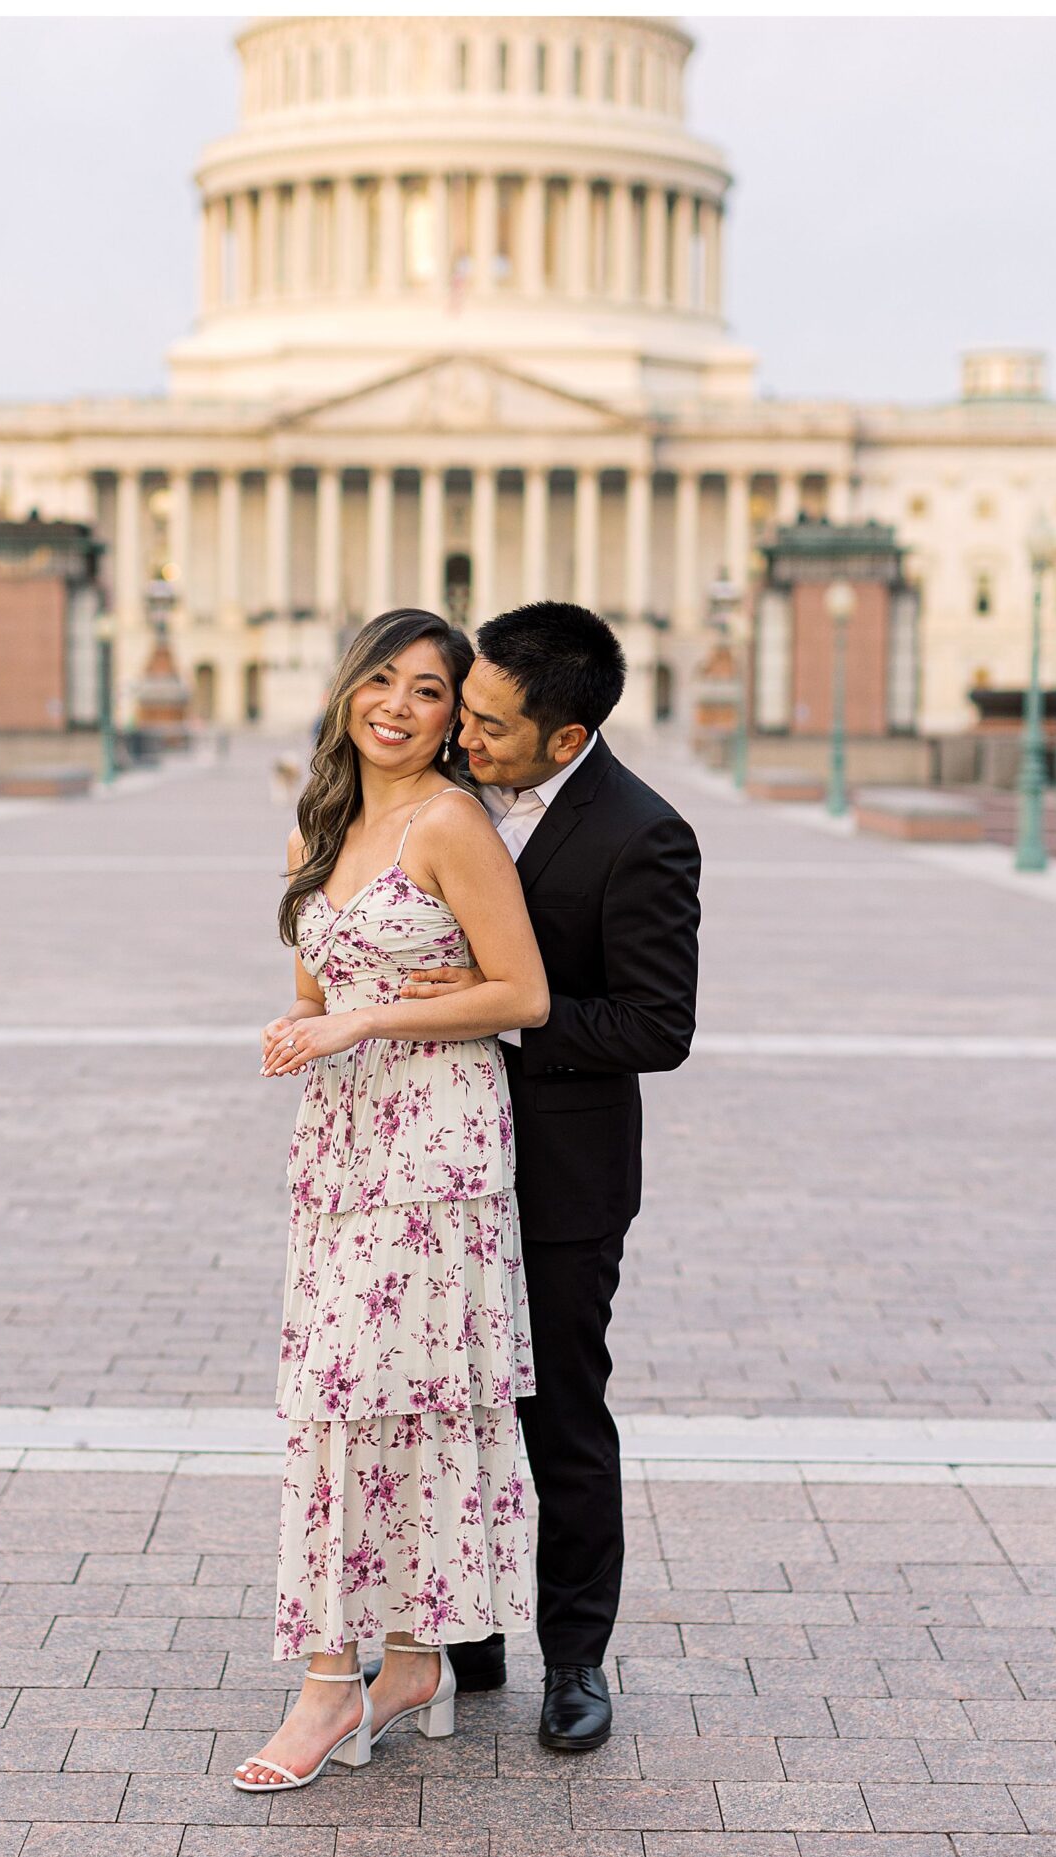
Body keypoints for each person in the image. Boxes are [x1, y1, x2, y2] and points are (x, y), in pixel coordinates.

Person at [234, 608, 549, 1792]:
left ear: (449, 717)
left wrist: (370, 1017)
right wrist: (308, 1024)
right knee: (359, 1397)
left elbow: (520, 990)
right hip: (342, 1141)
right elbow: (318, 983)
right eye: (382, 679)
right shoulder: (320, 828)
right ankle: (410, 1656)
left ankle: (329, 1684)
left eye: (429, 691)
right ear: (346, 690)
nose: (400, 707)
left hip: (436, 1141)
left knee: (365, 1395)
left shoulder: (451, 820)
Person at [401, 600, 702, 1751]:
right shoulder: (440, 790)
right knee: (446, 1402)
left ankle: (573, 1657)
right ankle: (463, 1634)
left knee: (559, 1415)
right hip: (431, 1158)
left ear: (566, 736)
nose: (463, 736)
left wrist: (499, 1017)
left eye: (488, 724)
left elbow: (655, 1023)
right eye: (460, 709)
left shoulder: (642, 832)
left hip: (558, 1174)